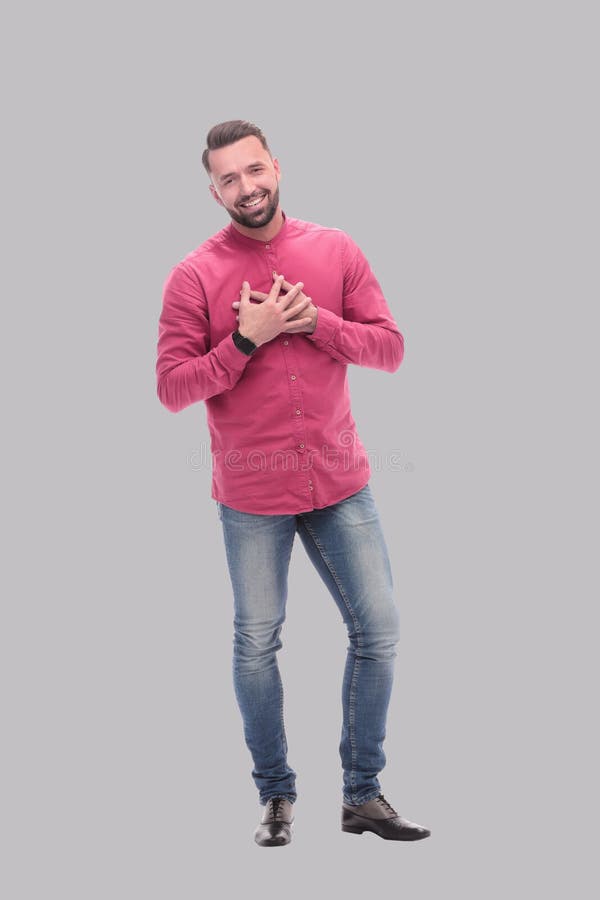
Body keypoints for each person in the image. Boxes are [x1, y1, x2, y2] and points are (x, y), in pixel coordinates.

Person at [156, 119, 431, 847]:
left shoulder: (336, 249)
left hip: (342, 481)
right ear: (212, 189)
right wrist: (245, 340)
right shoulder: (193, 275)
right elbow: (172, 388)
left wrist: (317, 324)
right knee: (255, 641)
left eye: (254, 170)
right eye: (228, 178)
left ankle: (362, 795)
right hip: (251, 493)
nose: (246, 187)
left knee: (379, 629)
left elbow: (393, 348)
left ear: (276, 166)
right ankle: (276, 796)